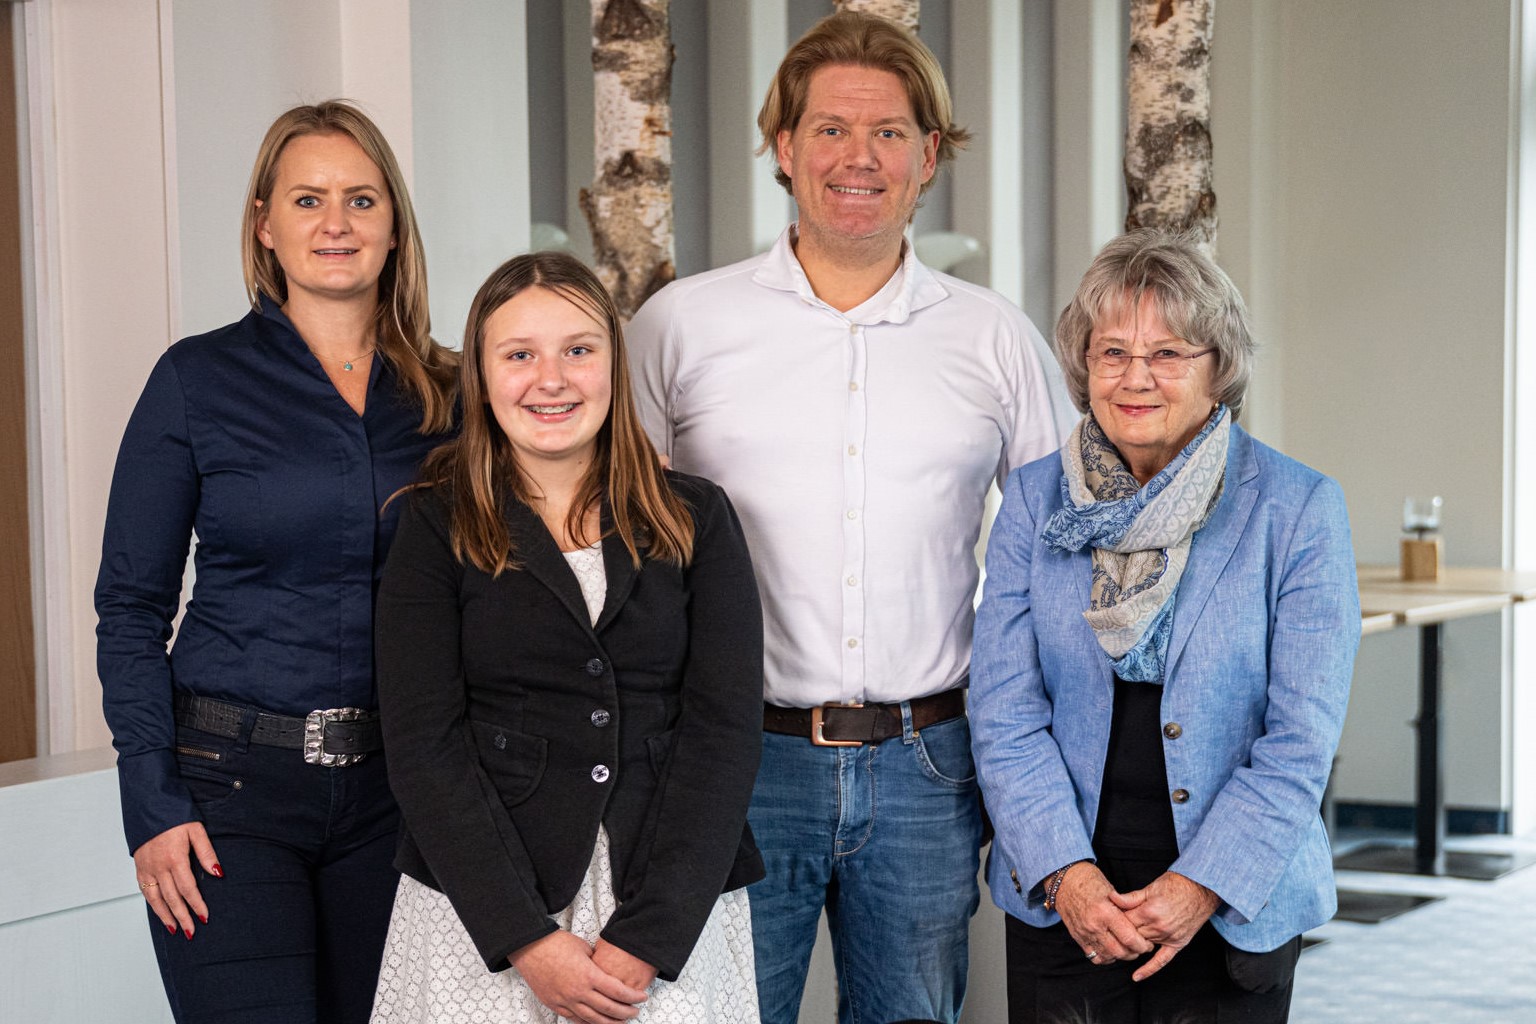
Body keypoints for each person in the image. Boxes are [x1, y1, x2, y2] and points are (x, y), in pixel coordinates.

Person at [626, 12, 1070, 1023]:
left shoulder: (994, 339)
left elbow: (1056, 556)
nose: (857, 158)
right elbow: (615, 553)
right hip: (737, 760)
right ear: (784, 149)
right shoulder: (679, 328)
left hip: (930, 764)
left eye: (888, 132)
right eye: (829, 129)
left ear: (929, 156)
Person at [94, 100, 457, 1023]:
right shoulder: (194, 379)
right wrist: (151, 801)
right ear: (264, 222)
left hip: (399, 800)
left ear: (392, 226)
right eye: (307, 199)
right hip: (225, 797)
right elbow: (132, 605)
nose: (335, 224)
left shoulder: (453, 396)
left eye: (361, 200)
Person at [970, 228, 1361, 1023]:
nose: (1135, 378)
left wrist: (1197, 887)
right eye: (1111, 352)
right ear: (1083, 368)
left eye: (1169, 354)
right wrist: (1067, 876)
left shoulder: (1297, 509)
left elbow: (1301, 739)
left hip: (1231, 901)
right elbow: (1004, 710)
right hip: (1065, 900)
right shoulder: (1032, 499)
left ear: (1218, 369)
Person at [369, 251, 765, 1024]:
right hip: (485, 908)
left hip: (663, 906)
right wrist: (526, 940)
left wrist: (647, 937)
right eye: (519, 355)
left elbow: (722, 735)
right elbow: (423, 745)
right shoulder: (432, 523)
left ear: (614, 368)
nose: (551, 379)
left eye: (579, 351)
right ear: (481, 378)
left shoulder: (697, 517)